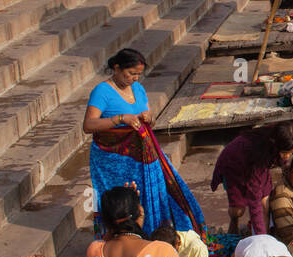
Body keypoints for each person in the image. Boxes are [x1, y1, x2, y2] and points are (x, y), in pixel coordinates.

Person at [84, 47, 204, 236]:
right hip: (111, 159)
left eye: (138, 74)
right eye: (131, 73)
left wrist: (149, 118)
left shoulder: (138, 88)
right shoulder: (102, 92)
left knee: (148, 197)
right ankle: (116, 242)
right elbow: (89, 124)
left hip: (141, 155)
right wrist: (120, 119)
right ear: (116, 68)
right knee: (119, 203)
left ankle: (150, 237)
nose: (135, 78)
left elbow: (148, 117)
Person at [210, 121, 293, 235]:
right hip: (234, 167)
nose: (287, 156)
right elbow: (254, 201)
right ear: (275, 144)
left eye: (290, 153)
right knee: (238, 210)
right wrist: (260, 237)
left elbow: (282, 161)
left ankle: (264, 235)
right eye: (284, 153)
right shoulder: (259, 152)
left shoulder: (274, 139)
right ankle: (237, 227)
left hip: (258, 164)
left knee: (265, 204)